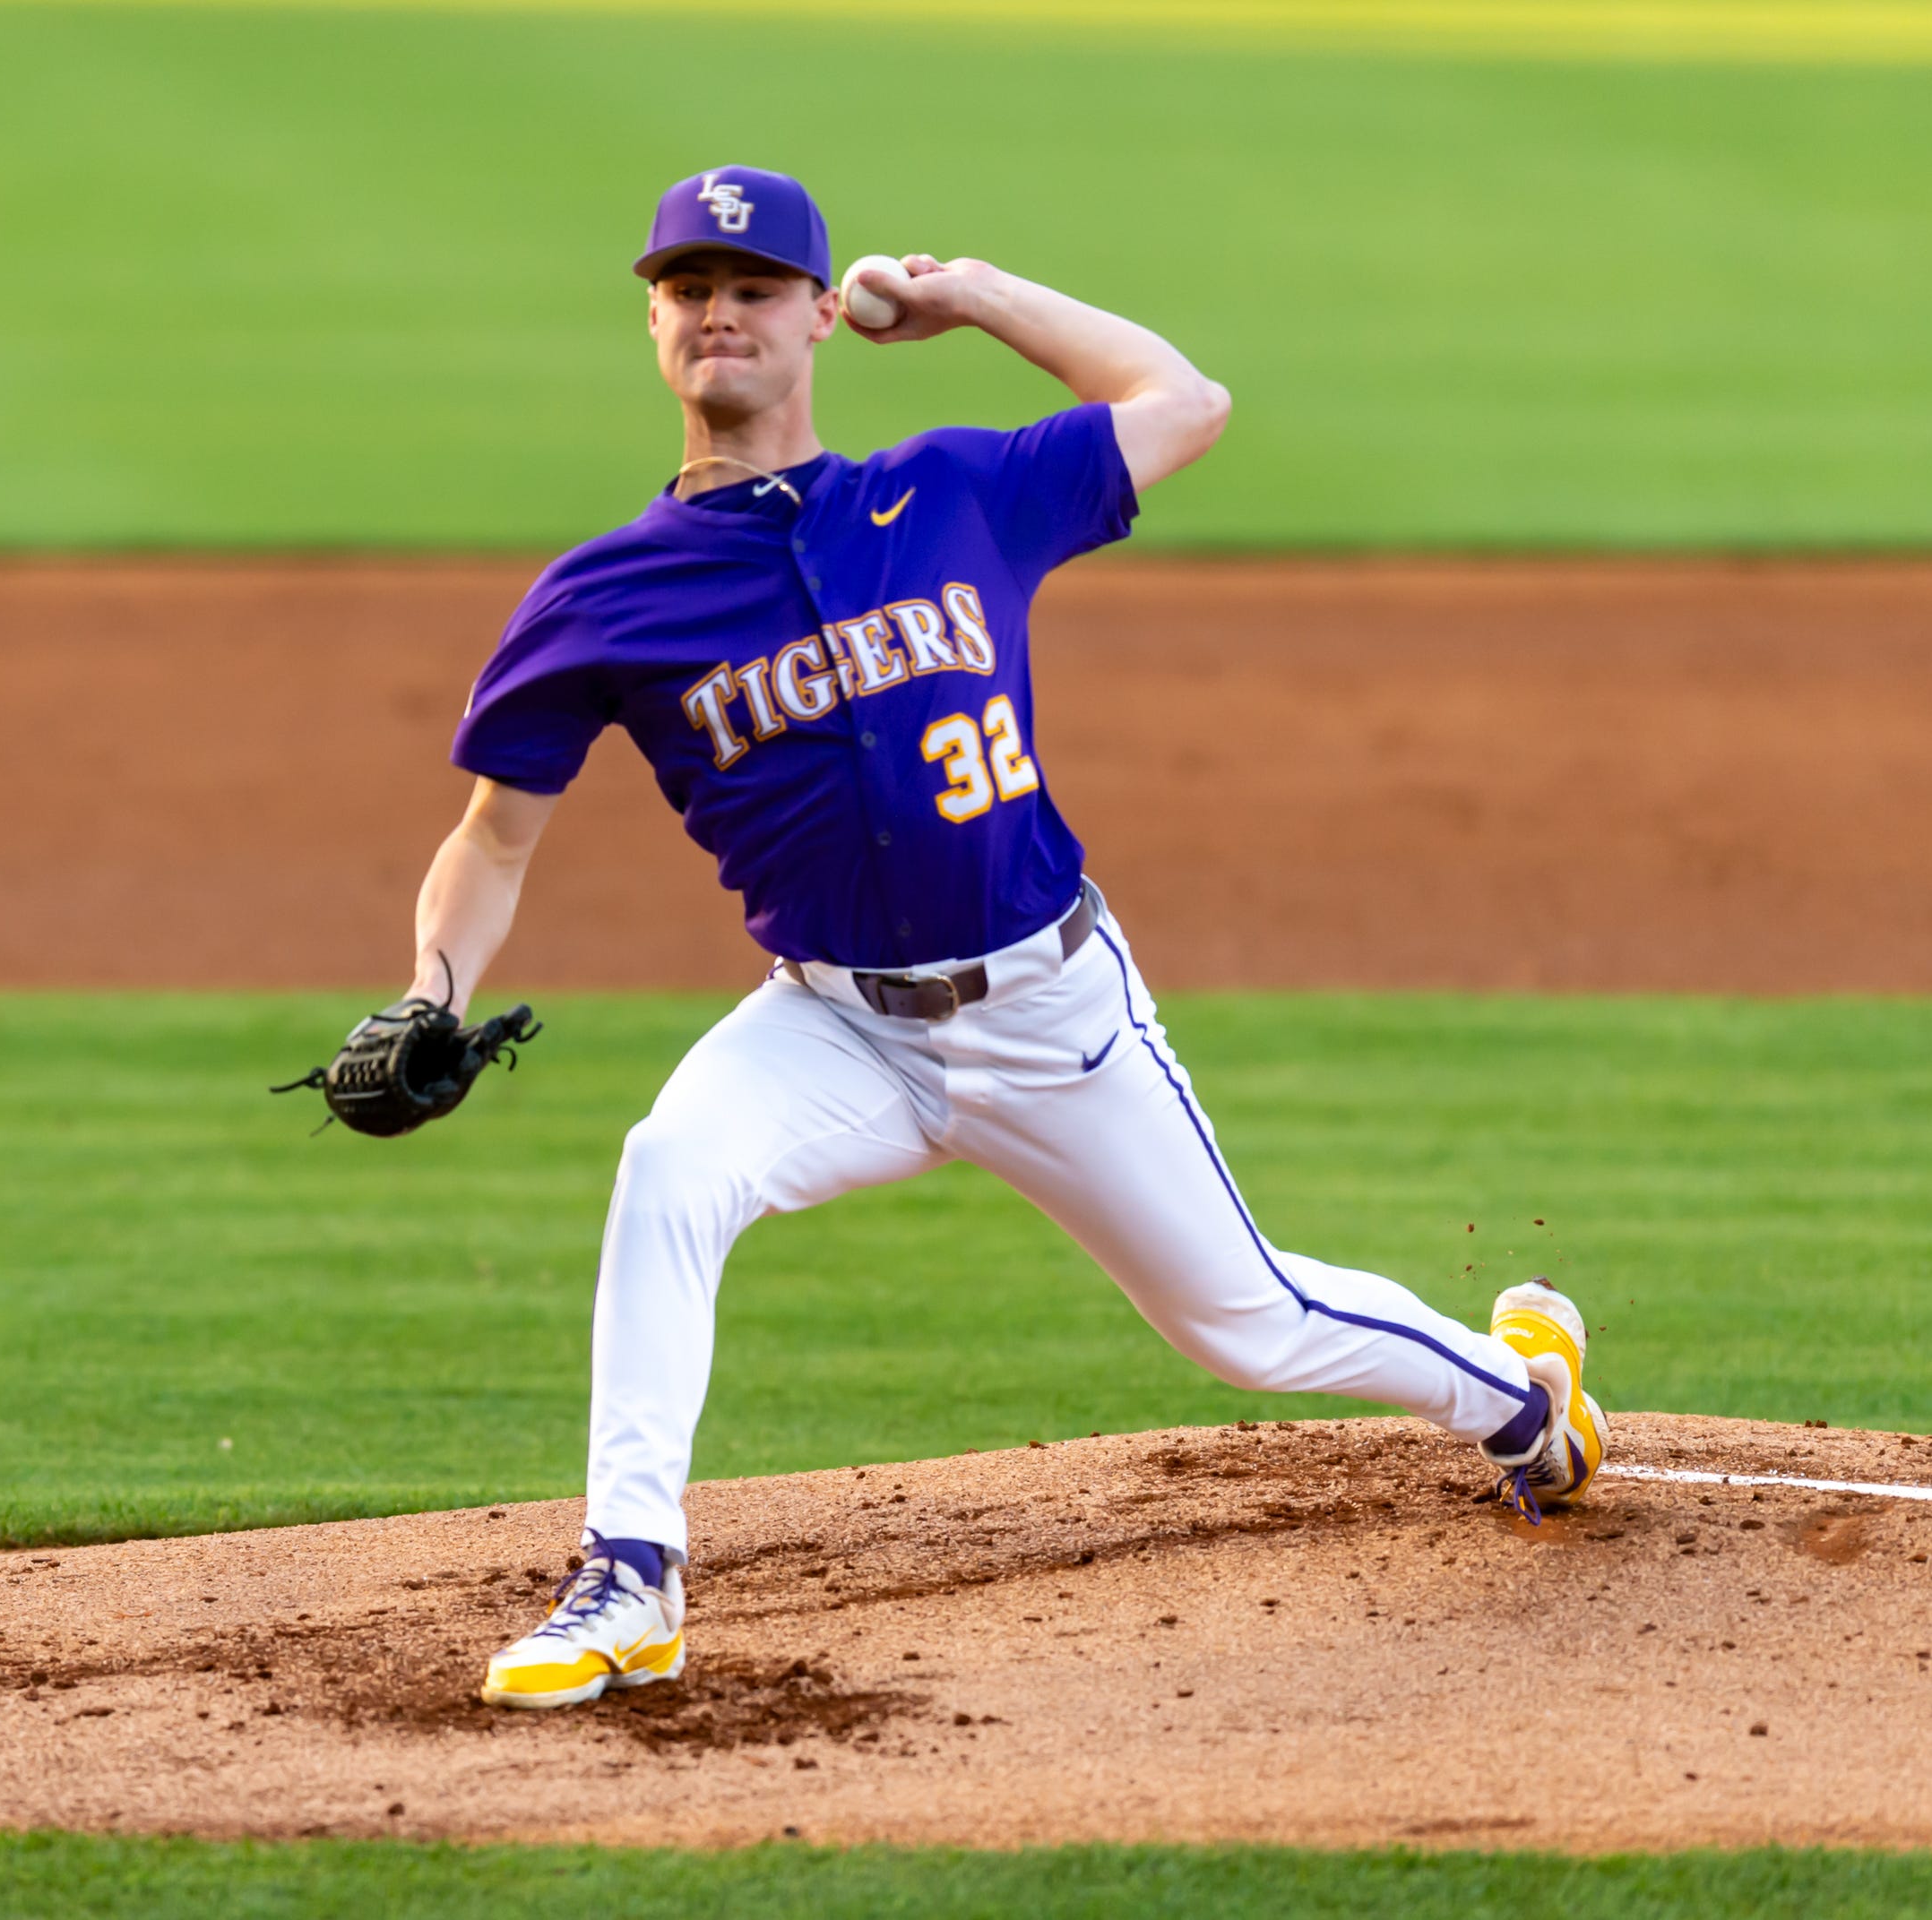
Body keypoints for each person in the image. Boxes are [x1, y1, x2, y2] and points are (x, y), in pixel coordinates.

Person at [394, 165, 1606, 1711]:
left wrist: (972, 295)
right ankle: (630, 1577)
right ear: (653, 323)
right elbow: (491, 842)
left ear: (819, 315)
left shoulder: (957, 491)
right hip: (834, 1028)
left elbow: (1185, 402)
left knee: (1248, 1325)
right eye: (688, 289)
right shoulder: (601, 598)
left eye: (754, 287)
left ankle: (1521, 1396)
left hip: (1052, 1014)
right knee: (670, 1168)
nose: (719, 314)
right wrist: (429, 994)